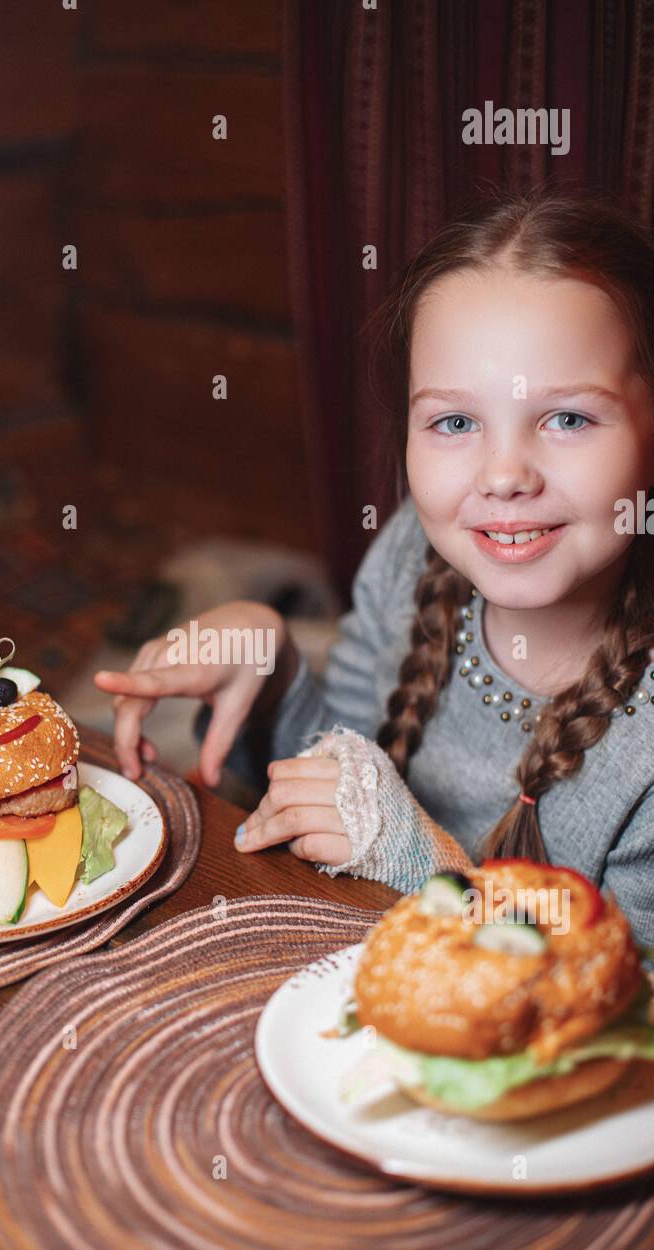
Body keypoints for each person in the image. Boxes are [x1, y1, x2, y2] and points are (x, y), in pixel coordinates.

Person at [94, 190, 654, 948]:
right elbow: (339, 800)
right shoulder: (409, 557)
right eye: (455, 422)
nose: (505, 474)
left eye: (568, 419)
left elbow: (626, 1010)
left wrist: (430, 871)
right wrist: (274, 676)